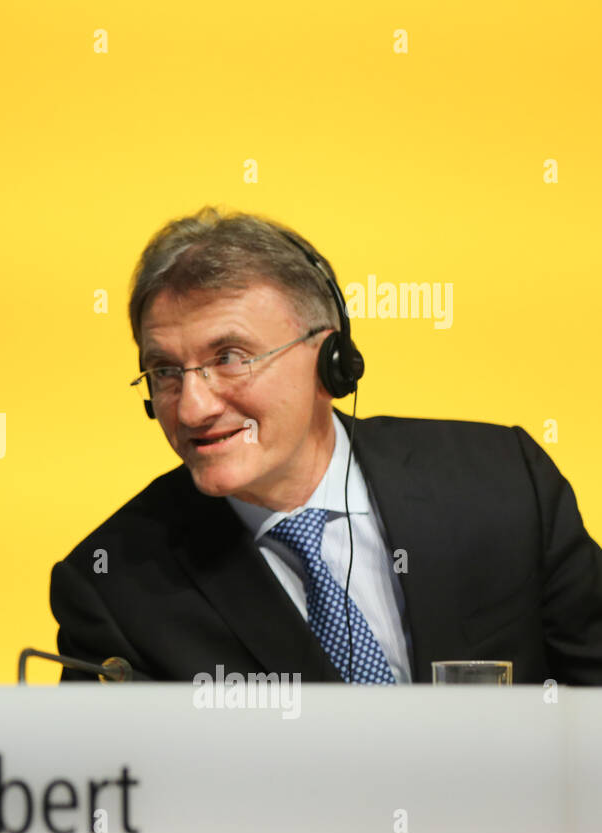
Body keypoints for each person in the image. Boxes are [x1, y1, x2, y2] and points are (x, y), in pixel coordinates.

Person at [51, 207, 602, 684]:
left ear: (330, 358)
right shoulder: (113, 588)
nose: (192, 407)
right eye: (166, 371)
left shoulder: (502, 483)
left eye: (229, 358)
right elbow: (129, 793)